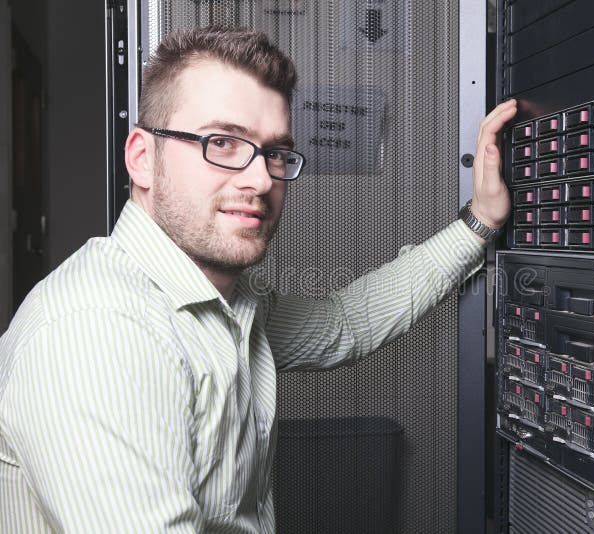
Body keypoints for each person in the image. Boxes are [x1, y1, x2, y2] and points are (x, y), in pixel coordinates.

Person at [0, 27, 517, 532]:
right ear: (142, 158)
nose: (261, 179)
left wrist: (480, 222)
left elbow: (346, 324)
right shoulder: (98, 330)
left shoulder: (230, 302)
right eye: (222, 142)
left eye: (274, 152)